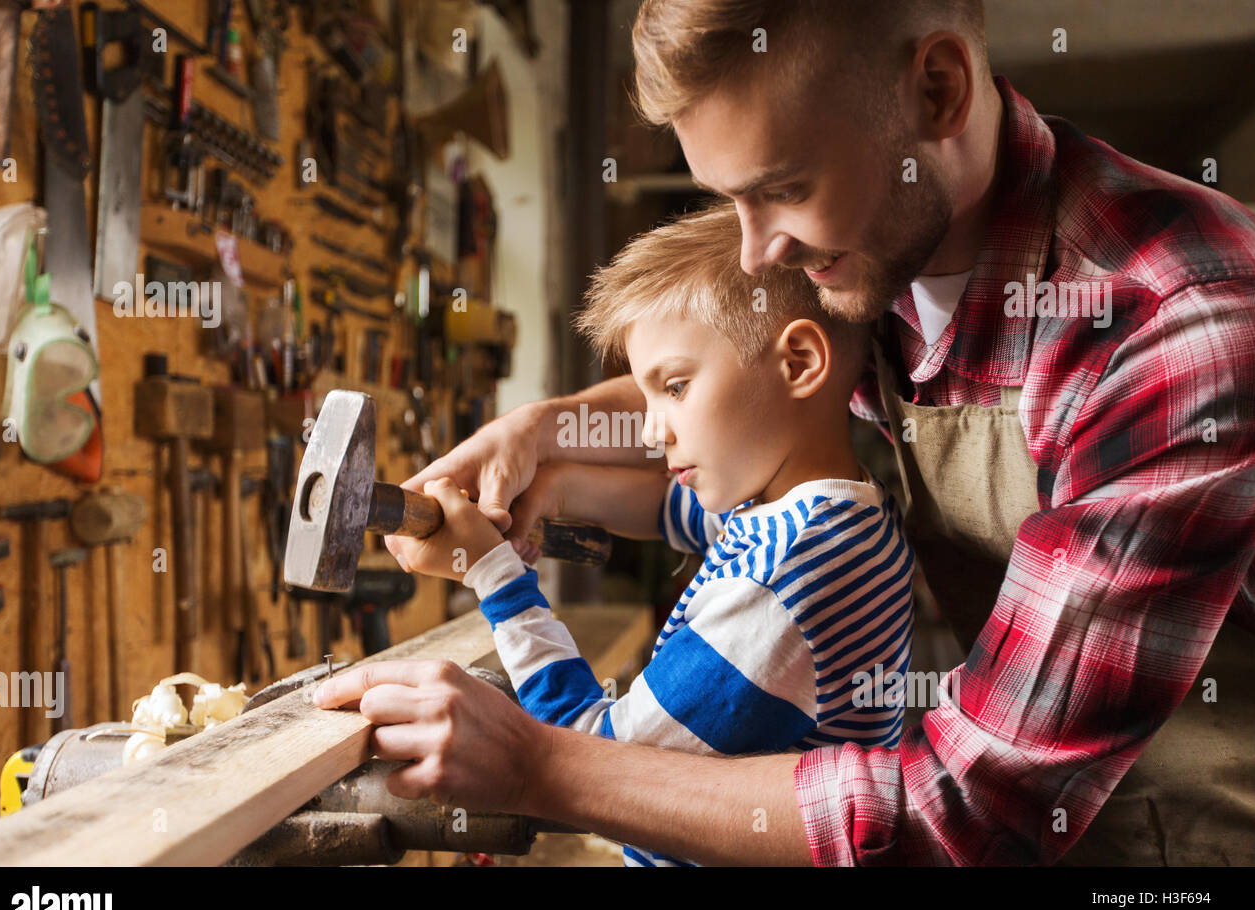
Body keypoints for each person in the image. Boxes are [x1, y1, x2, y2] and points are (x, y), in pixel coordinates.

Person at [316, 0, 1255, 865]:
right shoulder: (879, 256)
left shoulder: (1167, 327)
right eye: (729, 197)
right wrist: (545, 434)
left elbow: (965, 809)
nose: (755, 251)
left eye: (783, 188)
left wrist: (541, 768)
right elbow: (746, 398)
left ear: (937, 90)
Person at [373, 203, 914, 866]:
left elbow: (592, 755)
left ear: (799, 362)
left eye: (676, 386)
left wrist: (491, 573)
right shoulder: (831, 515)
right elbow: (667, 504)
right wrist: (553, 488)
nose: (651, 433)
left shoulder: (783, 579)